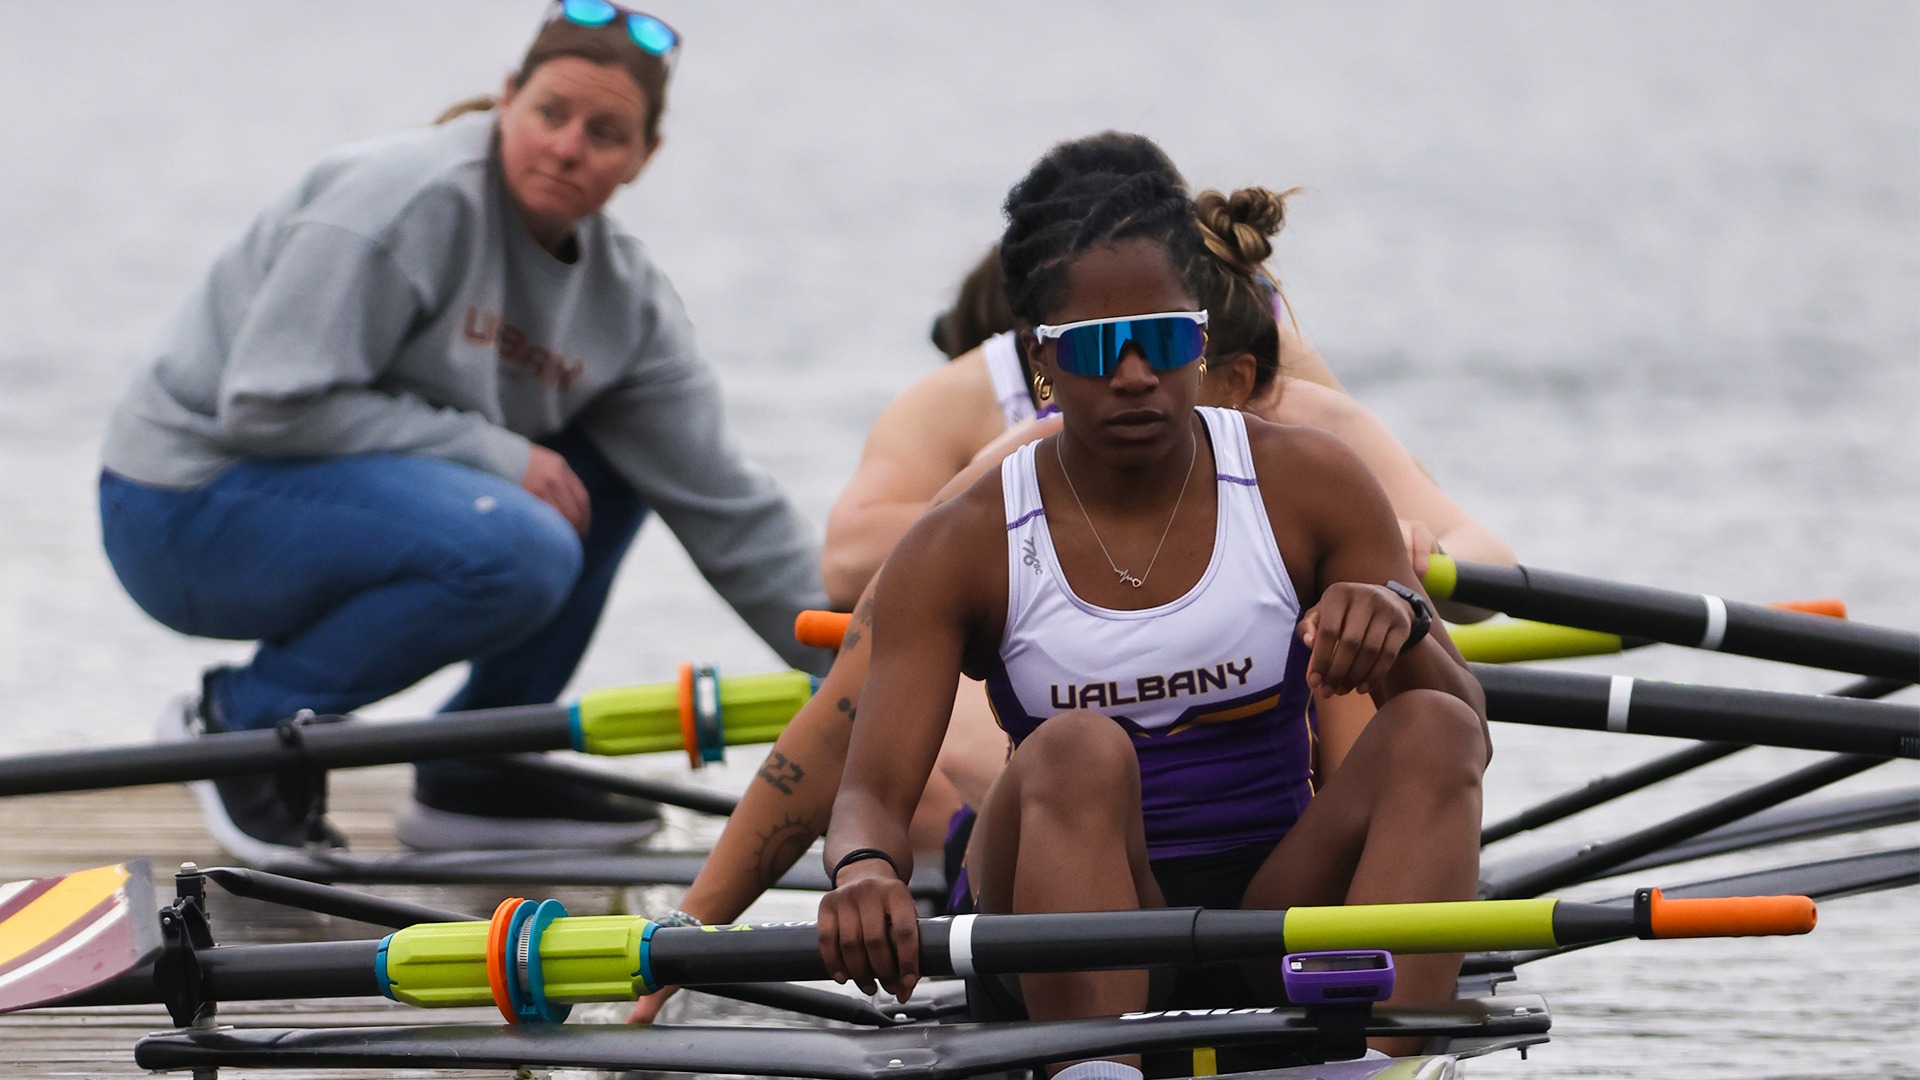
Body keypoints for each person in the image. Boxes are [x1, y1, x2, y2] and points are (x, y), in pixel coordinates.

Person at [629, 140, 1507, 1026]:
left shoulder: (1313, 483)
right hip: (1051, 923)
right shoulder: (963, 539)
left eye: (1164, 340)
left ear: (1201, 340)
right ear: (1037, 360)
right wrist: (863, 871)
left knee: (1429, 721)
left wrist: (1401, 619)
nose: (1135, 375)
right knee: (1078, 747)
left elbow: (1464, 734)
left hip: (1271, 908)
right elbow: (867, 796)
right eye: (1096, 350)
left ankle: (1387, 1051)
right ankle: (1091, 1054)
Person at [95, 2, 829, 864]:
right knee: (522, 544)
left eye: (605, 132)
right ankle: (244, 722)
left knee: (619, 471)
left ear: (643, 157)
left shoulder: (626, 303)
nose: (567, 146)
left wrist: (883, 661)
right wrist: (499, 454)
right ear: (506, 99)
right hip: (179, 507)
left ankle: (477, 763)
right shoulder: (404, 195)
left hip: (328, 508)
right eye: (550, 113)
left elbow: (732, 513)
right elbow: (266, 405)